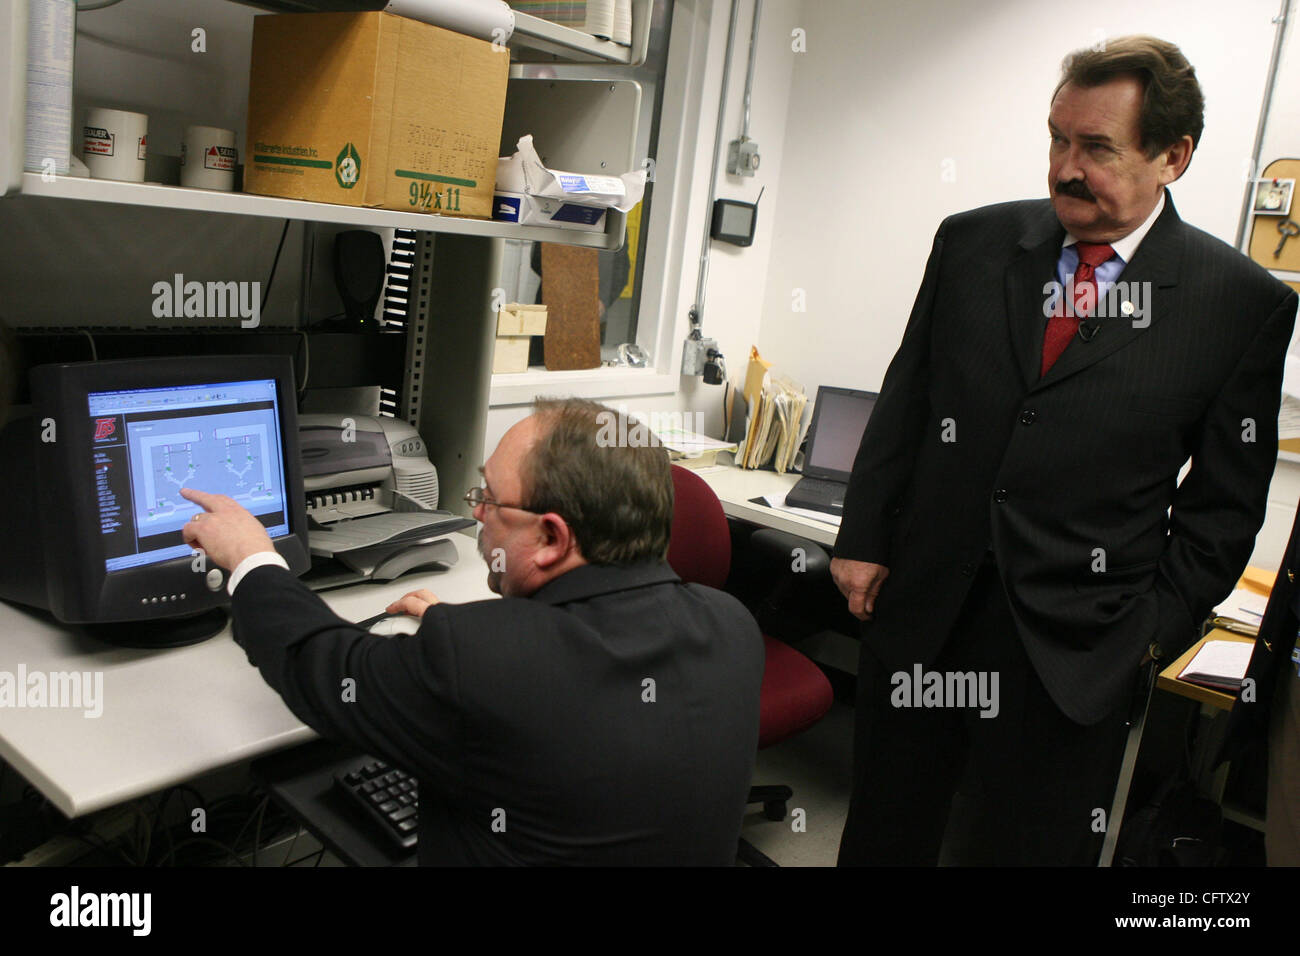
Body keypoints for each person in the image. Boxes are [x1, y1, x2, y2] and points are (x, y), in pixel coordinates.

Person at [831, 35, 1298, 866]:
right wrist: (864, 538)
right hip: (924, 616)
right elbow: (907, 401)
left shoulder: (1237, 304)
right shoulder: (973, 244)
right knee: (884, 839)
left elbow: (1223, 509)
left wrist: (1147, 635)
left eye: (1096, 148)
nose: (1065, 168)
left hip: (1075, 655)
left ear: (1173, 156)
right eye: (1058, 138)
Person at [180, 397, 764, 865]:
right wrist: (469, 637)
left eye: (489, 499)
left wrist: (252, 556)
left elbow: (318, 663)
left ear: (553, 538)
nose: (477, 515)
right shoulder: (735, 625)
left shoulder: (486, 659)